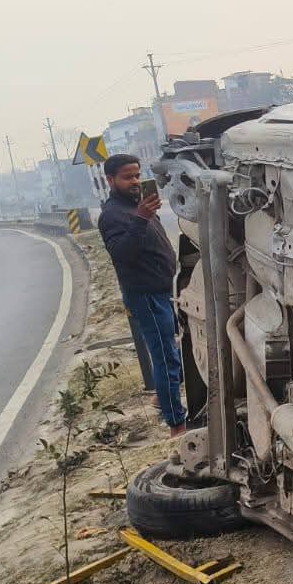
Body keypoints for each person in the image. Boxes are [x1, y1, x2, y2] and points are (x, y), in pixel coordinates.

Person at [99, 154, 186, 438]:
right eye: (127, 177)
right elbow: (122, 253)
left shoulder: (138, 206)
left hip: (162, 291)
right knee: (165, 358)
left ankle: (162, 398)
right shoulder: (111, 215)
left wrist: (144, 214)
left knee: (173, 351)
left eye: (137, 175)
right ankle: (177, 426)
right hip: (145, 296)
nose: (135, 181)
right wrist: (142, 218)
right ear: (110, 180)